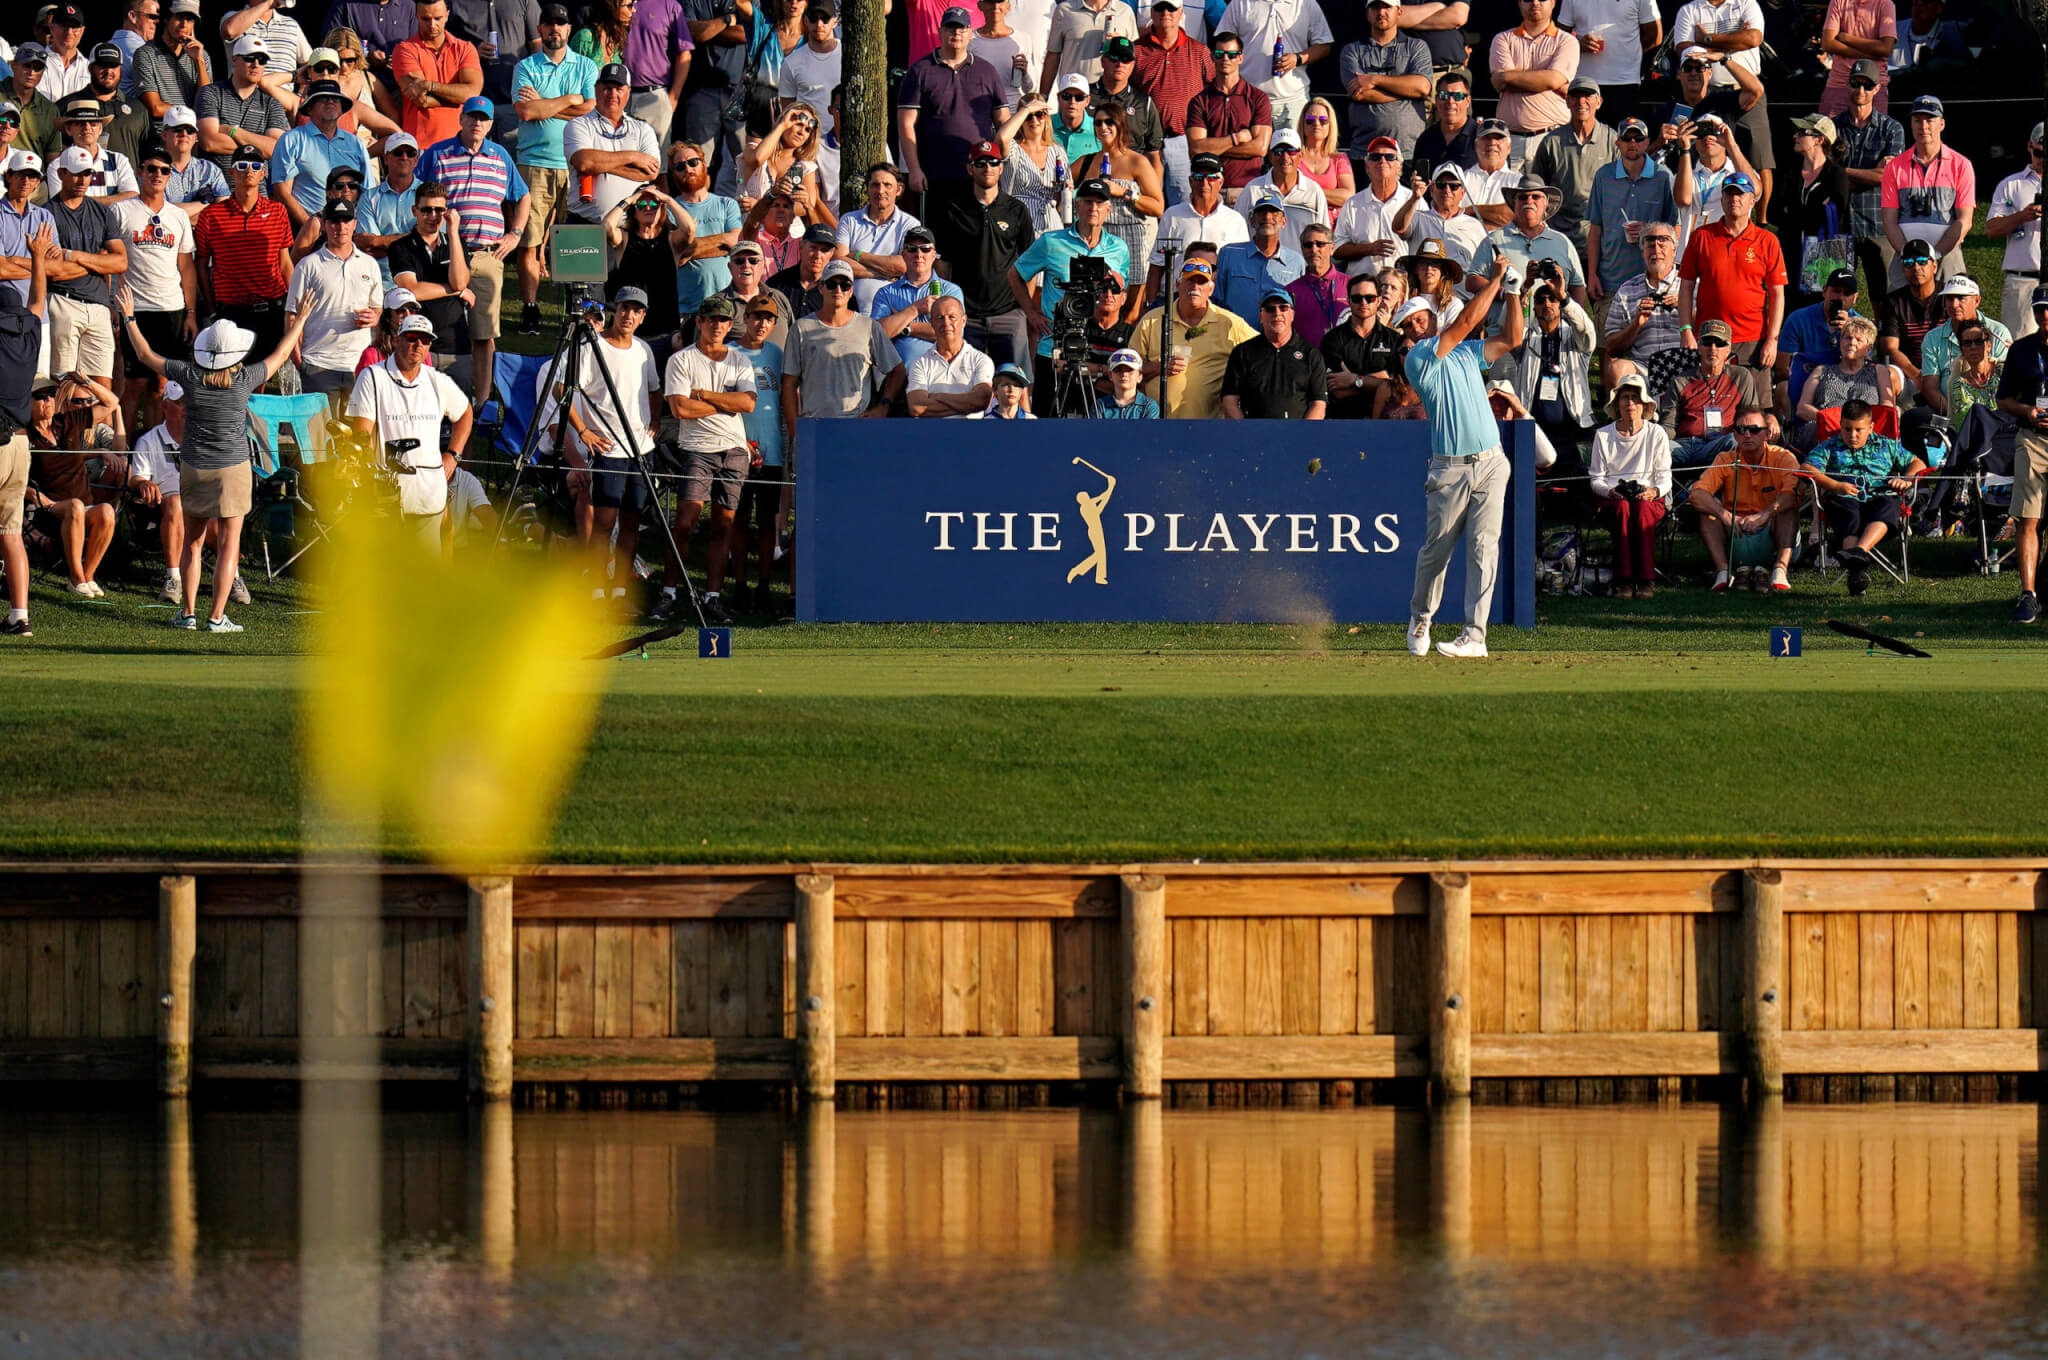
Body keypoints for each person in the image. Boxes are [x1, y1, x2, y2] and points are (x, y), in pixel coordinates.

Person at [116, 282, 321, 630]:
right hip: (233, 469)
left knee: (192, 544)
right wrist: (300, 319)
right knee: (228, 545)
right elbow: (282, 352)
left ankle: (189, 613)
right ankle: (216, 617)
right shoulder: (245, 378)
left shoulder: (190, 376)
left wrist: (130, 318)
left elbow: (147, 356)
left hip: (194, 467)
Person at [1396, 255, 1522, 659]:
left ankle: (1475, 636)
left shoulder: (1467, 353)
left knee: (1485, 549)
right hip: (1449, 469)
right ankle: (1421, 618)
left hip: (1491, 462)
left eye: (1420, 319)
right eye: (1409, 324)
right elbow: (1466, 322)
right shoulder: (1418, 359)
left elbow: (1511, 339)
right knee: (1437, 552)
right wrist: (1498, 278)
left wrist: (1515, 294)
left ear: (1431, 318)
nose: (1416, 326)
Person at [652, 292, 755, 623]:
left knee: (723, 526)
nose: (717, 325)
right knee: (685, 524)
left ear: (729, 325)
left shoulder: (739, 360)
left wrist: (706, 396)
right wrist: (726, 401)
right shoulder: (681, 360)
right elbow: (680, 408)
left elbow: (749, 403)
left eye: (723, 320)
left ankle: (712, 596)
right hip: (698, 448)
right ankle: (668, 593)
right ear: (699, 321)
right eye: (711, 318)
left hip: (735, 449)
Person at [557, 284, 658, 598]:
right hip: (608, 448)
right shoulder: (592, 347)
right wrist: (583, 430)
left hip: (641, 448)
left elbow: (654, 389)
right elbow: (562, 388)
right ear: (616, 310)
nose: (629, 315)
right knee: (604, 520)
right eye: (625, 308)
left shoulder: (644, 349)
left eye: (636, 311)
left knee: (632, 519)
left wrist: (655, 420)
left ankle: (620, 588)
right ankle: (598, 584)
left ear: (642, 317)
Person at [511, 4, 599, 333]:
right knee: (530, 241)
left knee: (574, 238)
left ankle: (573, 311)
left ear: (568, 29)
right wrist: (569, 99)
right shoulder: (525, 66)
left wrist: (545, 105)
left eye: (561, 24)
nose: (555, 30)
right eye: (549, 24)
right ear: (540, 28)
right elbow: (525, 112)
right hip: (534, 162)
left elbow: (592, 110)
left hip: (577, 162)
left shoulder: (587, 66)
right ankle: (531, 308)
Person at [1006, 176, 1129, 404]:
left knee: (1093, 422)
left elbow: (1122, 291)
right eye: (1088, 201)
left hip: (1095, 347)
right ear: (1077, 205)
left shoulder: (1118, 249)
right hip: (1054, 345)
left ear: (1108, 210)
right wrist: (1031, 313)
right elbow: (1015, 274)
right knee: (1048, 422)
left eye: (1100, 203)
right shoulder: (1051, 242)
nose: (1093, 208)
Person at [930, 137, 1036, 366]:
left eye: (992, 162)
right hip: (966, 315)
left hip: (1009, 313)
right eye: (980, 163)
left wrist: (1024, 309)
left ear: (1001, 168)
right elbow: (942, 265)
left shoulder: (1017, 210)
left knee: (1017, 384)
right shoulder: (952, 209)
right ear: (970, 168)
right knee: (967, 383)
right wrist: (950, 306)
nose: (987, 168)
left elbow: (1029, 266)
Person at [1803, 397, 1924, 596]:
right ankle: (1857, 567)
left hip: (1880, 494)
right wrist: (1835, 485)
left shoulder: (1886, 445)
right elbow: (1807, 467)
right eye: (1847, 429)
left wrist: (1906, 479)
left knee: (1888, 506)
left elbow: (1917, 463)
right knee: (1848, 514)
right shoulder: (1829, 446)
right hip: (1845, 496)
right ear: (1840, 425)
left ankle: (1857, 556)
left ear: (1871, 427)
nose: (1852, 435)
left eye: (1859, 430)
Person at [114, 142, 197, 424]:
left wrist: (191, 313)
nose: (157, 174)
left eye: (164, 169)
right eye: (151, 168)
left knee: (161, 386)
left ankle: (153, 449)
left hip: (171, 309)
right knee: (133, 385)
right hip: (135, 309)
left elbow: (186, 267)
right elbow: (112, 262)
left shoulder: (178, 216)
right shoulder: (121, 211)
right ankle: (123, 452)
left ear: (170, 175)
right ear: (140, 172)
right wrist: (115, 308)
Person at [900, 6, 1012, 212]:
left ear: (970, 33)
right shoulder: (919, 71)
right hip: (933, 175)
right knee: (936, 240)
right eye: (951, 27)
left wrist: (1002, 167)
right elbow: (906, 124)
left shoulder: (987, 71)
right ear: (940, 31)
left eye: (962, 28)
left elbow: (1003, 122)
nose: (956, 33)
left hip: (979, 175)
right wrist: (914, 169)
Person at [1669, 0, 1772, 215]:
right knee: (1704, 153)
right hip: (1709, 92)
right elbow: (1684, 49)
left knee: (1758, 158)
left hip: (1744, 88)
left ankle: (1760, 221)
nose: (1693, 71)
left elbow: (1754, 39)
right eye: (1688, 70)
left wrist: (1708, 41)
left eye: (1700, 67)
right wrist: (1736, 41)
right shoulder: (1689, 9)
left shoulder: (1746, 3)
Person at [195, 144, 295, 361]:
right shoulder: (211, 215)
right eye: (242, 165)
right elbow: (201, 265)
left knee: (265, 378)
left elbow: (285, 262)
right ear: (231, 172)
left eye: (255, 165)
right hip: (231, 312)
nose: (248, 170)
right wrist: (212, 309)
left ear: (263, 173)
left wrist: (293, 306)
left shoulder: (278, 211)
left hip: (272, 308)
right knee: (231, 378)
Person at [781, 259, 904, 434]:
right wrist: (795, 432)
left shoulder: (869, 327)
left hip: (857, 429)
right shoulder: (801, 328)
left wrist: (884, 406)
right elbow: (789, 384)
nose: (838, 290)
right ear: (821, 287)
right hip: (814, 427)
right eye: (832, 284)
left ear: (852, 290)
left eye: (845, 285)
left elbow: (897, 370)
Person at [26, 372, 121, 600]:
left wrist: (85, 382)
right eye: (41, 396)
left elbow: (112, 402)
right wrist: (38, 497)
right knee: (76, 506)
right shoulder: (26, 436)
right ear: (26, 402)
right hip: (49, 509)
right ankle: (76, 576)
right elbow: (18, 480)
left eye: (51, 394)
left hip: (82, 508)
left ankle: (87, 576)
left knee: (107, 511)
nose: (48, 401)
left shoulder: (66, 422)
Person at [1677, 173, 1780, 376]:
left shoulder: (1767, 241)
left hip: (1752, 339)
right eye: (1729, 194)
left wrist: (1772, 340)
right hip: (1710, 338)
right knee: (1707, 402)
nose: (1735, 199)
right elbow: (1686, 287)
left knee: (1754, 406)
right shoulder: (1701, 236)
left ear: (1752, 200)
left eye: (1741, 194)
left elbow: (1777, 294)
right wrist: (1686, 330)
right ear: (1722, 199)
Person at [1689, 404, 1799, 591]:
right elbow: (1697, 494)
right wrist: (1725, 515)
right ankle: (1723, 571)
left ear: (1766, 434)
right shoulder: (1724, 458)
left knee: (1787, 508)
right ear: (1735, 435)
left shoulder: (1783, 458)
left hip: (1772, 532)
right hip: (1736, 533)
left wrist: (1765, 515)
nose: (1747, 435)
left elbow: (1795, 495)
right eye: (1741, 430)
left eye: (1754, 430)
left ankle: (1780, 570)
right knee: (1708, 512)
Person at [1129, 254, 1253, 416]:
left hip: (1210, 429)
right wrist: (1161, 367)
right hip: (1158, 427)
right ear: (1178, 284)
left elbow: (1261, 353)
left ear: (1211, 289)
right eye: (1190, 280)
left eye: (1201, 282)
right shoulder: (1152, 320)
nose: (1195, 287)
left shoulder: (1229, 322)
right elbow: (1128, 368)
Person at [42, 147, 127, 383]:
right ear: (61, 174)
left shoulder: (101, 212)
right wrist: (99, 261)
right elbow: (55, 272)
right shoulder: (47, 213)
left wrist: (72, 255)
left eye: (87, 173)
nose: (83, 180)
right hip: (62, 302)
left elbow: (120, 261)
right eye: (76, 173)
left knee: (102, 386)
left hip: (98, 305)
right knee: (64, 385)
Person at [287, 198, 386, 394]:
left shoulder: (370, 264)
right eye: (334, 221)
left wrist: (374, 316)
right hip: (318, 364)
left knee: (360, 425)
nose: (341, 227)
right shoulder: (308, 265)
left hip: (359, 365)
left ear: (355, 224)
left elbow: (377, 307)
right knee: (319, 426)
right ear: (323, 225)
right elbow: (291, 316)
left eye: (346, 220)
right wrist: (299, 361)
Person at [1586, 371, 1671, 597]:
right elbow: (1596, 478)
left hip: (1648, 497)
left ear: (1644, 404)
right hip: (1613, 498)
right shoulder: (1603, 435)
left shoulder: (1657, 434)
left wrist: (1654, 491)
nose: (1630, 403)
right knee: (1623, 509)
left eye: (1635, 397)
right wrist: (1610, 491)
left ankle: (1645, 580)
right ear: (1617, 403)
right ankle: (1623, 579)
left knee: (1642, 510)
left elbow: (1664, 478)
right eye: (1625, 397)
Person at [1880, 94, 1973, 291]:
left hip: (1947, 257)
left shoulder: (1961, 165)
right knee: (1900, 312)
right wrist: (1909, 256)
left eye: (1930, 120)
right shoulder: (1894, 167)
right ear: (1911, 124)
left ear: (1942, 124)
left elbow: (1964, 221)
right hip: (1905, 258)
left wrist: (1936, 255)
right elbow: (1889, 221)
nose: (1924, 126)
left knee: (1953, 310)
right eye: (1918, 121)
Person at [727, 296, 785, 610]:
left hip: (771, 450)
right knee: (739, 519)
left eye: (768, 319)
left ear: (774, 324)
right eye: (756, 317)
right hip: (737, 449)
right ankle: (738, 585)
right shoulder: (730, 353)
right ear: (746, 318)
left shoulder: (777, 354)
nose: (761, 324)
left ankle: (763, 586)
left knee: (766, 521)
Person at [387, 182, 474, 381]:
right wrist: (454, 291)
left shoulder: (457, 243)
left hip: (455, 345)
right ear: (414, 211)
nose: (433, 216)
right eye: (426, 210)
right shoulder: (401, 247)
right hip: (416, 345)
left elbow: (460, 281)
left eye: (439, 210)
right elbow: (411, 289)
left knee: (460, 410)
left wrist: (452, 233)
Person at [1468, 173, 1584, 320]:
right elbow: (1471, 281)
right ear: (1514, 204)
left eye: (1536, 197)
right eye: (1522, 197)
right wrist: (1503, 292)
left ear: (1546, 203)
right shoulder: (1493, 239)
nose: (1529, 200)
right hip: (1504, 335)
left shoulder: (1562, 242)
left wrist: (1576, 322)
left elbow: (1577, 285)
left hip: (1554, 335)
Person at [1505, 279, 1594, 472]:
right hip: (1534, 431)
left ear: (1560, 305)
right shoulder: (1526, 338)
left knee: (1574, 492)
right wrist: (1524, 288)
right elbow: (1507, 329)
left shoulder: (1576, 338)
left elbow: (1587, 329)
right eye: (1541, 300)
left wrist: (1564, 296)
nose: (1546, 304)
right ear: (1534, 307)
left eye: (1552, 299)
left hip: (1573, 429)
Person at [1131, 0, 1211, 208]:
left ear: (1180, 12)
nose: (1165, 13)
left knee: (1183, 207)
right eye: (1159, 8)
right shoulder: (1136, 51)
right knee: (1146, 208)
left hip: (1183, 142)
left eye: (1171, 8)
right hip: (1146, 144)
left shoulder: (1199, 51)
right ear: (1151, 12)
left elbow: (1214, 92)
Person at [1836, 59, 1903, 306]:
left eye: (1867, 85)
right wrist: (1870, 173)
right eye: (1856, 83)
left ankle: (1886, 346)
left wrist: (1842, 172)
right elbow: (1825, 176)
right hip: (1838, 227)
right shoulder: (1831, 128)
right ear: (1848, 84)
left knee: (1887, 302)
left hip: (1880, 226)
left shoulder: (1892, 129)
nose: (1860, 91)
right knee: (1833, 298)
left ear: (1877, 88)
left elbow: (1888, 177)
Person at [1214, 0, 1329, 137]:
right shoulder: (1240, 3)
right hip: (1248, 100)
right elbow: (1222, 44)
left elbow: (1324, 45)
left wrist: (1297, 59)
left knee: (1291, 157)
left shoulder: (1306, 4)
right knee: (1251, 156)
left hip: (1293, 102)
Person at [564, 62, 660, 225]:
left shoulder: (643, 129)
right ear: (596, 89)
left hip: (630, 226)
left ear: (628, 93)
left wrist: (599, 164)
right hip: (584, 222)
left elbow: (651, 172)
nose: (612, 94)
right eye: (607, 88)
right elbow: (584, 162)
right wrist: (633, 157)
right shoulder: (578, 124)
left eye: (619, 89)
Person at [1528, 78, 1612, 260]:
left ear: (1599, 102)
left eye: (1587, 96)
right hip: (1559, 240)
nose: (1581, 102)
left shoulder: (1612, 140)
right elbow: (1537, 189)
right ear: (1567, 102)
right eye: (1575, 96)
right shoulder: (1552, 142)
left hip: (1601, 240)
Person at [1340, 0, 1430, 162]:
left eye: (1387, 7)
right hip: (1364, 154)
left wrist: (1375, 79)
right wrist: (1407, 92)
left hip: (1409, 153)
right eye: (1375, 7)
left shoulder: (1417, 47)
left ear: (1399, 12)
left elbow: (1422, 87)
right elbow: (1359, 94)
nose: (1381, 12)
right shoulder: (1351, 50)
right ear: (1367, 13)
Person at [270, 79, 368, 227]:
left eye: (335, 98)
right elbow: (282, 193)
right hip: (305, 230)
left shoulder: (356, 143)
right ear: (309, 107)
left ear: (341, 108)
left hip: (348, 229)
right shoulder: (291, 139)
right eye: (322, 98)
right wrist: (313, 228)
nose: (330, 102)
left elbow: (367, 191)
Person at [865, 223, 966, 368]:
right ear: (903, 255)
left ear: (933, 255)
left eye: (925, 249)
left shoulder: (950, 291)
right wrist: (915, 309)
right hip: (899, 377)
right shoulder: (886, 293)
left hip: (940, 375)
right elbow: (877, 334)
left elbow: (953, 333)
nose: (919, 255)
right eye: (912, 249)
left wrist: (905, 326)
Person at [1490, 0, 1577, 164]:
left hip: (1552, 138)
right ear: (1519, 3)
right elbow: (1499, 83)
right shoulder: (1502, 39)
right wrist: (1545, 79)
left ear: (1553, 3)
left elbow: (1553, 80)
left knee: (1551, 190)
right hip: (1510, 140)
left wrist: (1508, 77)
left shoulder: (1567, 41)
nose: (1535, 2)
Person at [1146, 151, 1244, 297]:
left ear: (1221, 182)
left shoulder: (1235, 221)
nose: (1204, 183)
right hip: (1175, 299)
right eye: (1199, 177)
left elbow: (1239, 272)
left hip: (1218, 300)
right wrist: (1150, 304)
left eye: (1211, 178)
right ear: (1190, 181)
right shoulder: (1172, 215)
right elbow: (1157, 265)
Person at [1185, 31, 1270, 196]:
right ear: (1212, 57)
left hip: (1247, 189)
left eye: (1231, 55)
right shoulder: (1199, 101)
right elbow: (1195, 149)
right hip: (1208, 189)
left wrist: (1212, 147)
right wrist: (1235, 139)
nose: (1225, 59)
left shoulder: (1258, 98)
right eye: (1219, 54)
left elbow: (1260, 148)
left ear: (1240, 58)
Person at [392, 0, 485, 149]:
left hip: (460, 145)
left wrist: (430, 85)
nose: (432, 25)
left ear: (447, 15)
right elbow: (421, 99)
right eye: (426, 19)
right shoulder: (404, 50)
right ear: (416, 16)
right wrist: (458, 100)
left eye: (437, 18)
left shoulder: (465, 49)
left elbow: (472, 94)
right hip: (420, 145)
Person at [1795, 312, 1900, 445]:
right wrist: (1829, 420)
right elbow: (1802, 408)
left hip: (1865, 435)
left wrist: (1859, 426)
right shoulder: (1821, 371)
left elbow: (1887, 408)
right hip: (1825, 433)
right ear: (1840, 342)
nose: (1852, 343)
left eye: (1858, 339)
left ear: (1869, 349)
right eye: (1848, 338)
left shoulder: (1879, 371)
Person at [1219, 286, 1323, 418]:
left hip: (1296, 436)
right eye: (1270, 309)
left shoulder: (1311, 354)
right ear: (1261, 316)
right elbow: (1229, 402)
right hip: (1254, 434)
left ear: (1292, 314)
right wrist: (1245, 433)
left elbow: (1319, 404)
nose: (1277, 313)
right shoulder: (1242, 353)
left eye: (1283, 308)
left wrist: (1301, 436)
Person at [128, 377, 188, 602]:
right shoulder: (149, 440)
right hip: (163, 506)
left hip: (200, 502)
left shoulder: (201, 437)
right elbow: (137, 478)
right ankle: (173, 578)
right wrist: (144, 483)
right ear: (164, 407)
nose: (186, 408)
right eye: (180, 402)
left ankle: (232, 576)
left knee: (223, 509)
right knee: (175, 503)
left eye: (189, 402)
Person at [198, 37, 293, 178]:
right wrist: (258, 145)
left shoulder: (272, 103)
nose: (256, 64)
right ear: (234, 59)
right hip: (216, 189)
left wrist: (232, 131)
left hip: (258, 192)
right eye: (250, 58)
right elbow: (209, 142)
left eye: (262, 60)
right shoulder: (211, 92)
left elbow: (273, 149)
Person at [1783, 113, 1850, 312]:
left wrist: (1799, 214)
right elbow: (1778, 210)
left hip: (1825, 254)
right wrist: (1813, 210)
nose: (1796, 136)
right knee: (1791, 309)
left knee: (1821, 309)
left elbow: (1834, 214)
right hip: (1791, 252)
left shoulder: (1836, 174)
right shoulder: (1791, 172)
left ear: (1819, 140)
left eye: (1802, 132)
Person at [1915, 276, 2009, 411]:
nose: (1954, 305)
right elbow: (1930, 389)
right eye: (1949, 298)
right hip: (1948, 413)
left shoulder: (1999, 333)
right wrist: (1956, 417)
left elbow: (2004, 383)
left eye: (1961, 298)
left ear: (1977, 300)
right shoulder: (1932, 338)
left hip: (1994, 413)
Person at [836, 163, 922, 308]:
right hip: (851, 310)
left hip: (893, 312)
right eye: (875, 185)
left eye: (887, 185)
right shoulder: (849, 220)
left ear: (899, 190)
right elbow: (839, 264)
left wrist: (858, 255)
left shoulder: (910, 224)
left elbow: (903, 265)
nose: (880, 191)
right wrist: (881, 273)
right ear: (868, 189)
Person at [1557, 0, 1659, 123]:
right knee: (1583, 139)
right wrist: (1577, 45)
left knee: (1622, 139)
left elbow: (1654, 36)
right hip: (1584, 84)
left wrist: (1630, 52)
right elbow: (1560, 37)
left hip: (1625, 84)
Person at [1987, 128, 2045, 342]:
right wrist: (2022, 215)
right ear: (2030, 147)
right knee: (2018, 349)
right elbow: (1991, 229)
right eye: (2040, 154)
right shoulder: (2011, 184)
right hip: (2023, 281)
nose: (2043, 160)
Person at [1319, 265, 1397, 417]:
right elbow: (1338, 390)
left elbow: (1395, 389)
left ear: (1379, 300)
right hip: (1343, 422)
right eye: (1357, 298)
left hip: (1383, 424)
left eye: (1370, 298)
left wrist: (1354, 380)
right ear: (1348, 300)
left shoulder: (1393, 340)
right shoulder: (1332, 340)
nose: (1363, 302)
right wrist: (1379, 381)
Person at [1213, 189, 1299, 319]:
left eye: (1274, 213)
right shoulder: (1229, 254)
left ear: (1284, 222)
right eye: (1261, 212)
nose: (1267, 217)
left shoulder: (1296, 262)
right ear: (1252, 221)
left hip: (1277, 338)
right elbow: (1216, 301)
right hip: (1236, 337)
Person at [1331, 133, 1407, 277]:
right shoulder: (1353, 204)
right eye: (1375, 157)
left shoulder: (1413, 201)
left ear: (1399, 166)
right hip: (1362, 292)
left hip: (1401, 288)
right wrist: (1368, 249)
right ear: (1367, 166)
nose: (1382, 161)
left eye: (1390, 157)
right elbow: (1337, 249)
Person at [905, 293, 995, 416]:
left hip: (971, 433)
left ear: (963, 321)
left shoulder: (980, 360)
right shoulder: (920, 363)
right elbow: (917, 407)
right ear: (932, 323)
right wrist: (968, 405)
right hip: (934, 434)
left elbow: (981, 400)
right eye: (940, 318)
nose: (946, 323)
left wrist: (937, 397)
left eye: (952, 317)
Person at [1232, 126, 1321, 241]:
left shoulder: (1314, 191)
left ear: (1300, 155)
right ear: (1270, 156)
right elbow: (1236, 232)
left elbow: (1323, 237)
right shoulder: (1252, 190)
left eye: (1291, 151)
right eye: (1278, 152)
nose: (1285, 157)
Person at [131, 0, 211, 125]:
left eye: (189, 19)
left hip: (193, 133)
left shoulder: (201, 55)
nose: (184, 24)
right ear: (167, 19)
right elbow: (155, 108)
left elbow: (206, 103)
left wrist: (199, 61)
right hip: (161, 134)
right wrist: (190, 114)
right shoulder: (145, 54)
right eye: (179, 17)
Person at [358, 132, 422, 287]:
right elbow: (367, 245)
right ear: (385, 158)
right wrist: (415, 239)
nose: (404, 157)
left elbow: (434, 242)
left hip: (421, 281)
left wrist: (380, 241)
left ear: (416, 159)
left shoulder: (429, 194)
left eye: (410, 153)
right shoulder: (369, 197)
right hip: (379, 282)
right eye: (398, 152)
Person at [1877, 237, 1941, 391]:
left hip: (1945, 372)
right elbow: (1890, 348)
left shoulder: (1949, 297)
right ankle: (1892, 415)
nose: (1916, 267)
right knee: (1889, 375)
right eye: (1909, 263)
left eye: (1922, 261)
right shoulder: (1892, 302)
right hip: (1910, 375)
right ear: (1903, 269)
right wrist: (1918, 376)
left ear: (1934, 266)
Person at [1392, 162, 1481, 267]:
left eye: (1453, 186)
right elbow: (1398, 228)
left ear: (1463, 192)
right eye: (1441, 185)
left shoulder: (1475, 225)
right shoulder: (1417, 217)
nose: (1447, 190)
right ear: (1432, 190)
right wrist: (1414, 198)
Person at [53, 94, 137, 203]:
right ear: (69, 129)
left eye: (93, 123)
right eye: (80, 123)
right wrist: (113, 200)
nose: (87, 128)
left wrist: (83, 203)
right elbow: (64, 204)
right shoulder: (57, 165)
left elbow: (133, 196)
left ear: (100, 129)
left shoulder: (119, 160)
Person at [1041, 0, 1138, 94]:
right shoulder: (1064, 10)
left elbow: (1134, 56)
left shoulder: (1125, 11)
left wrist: (1120, 42)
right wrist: (1044, 95)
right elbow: (1053, 55)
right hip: (1075, 96)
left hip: (1111, 97)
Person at [1817, 0, 1893, 117]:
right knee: (1829, 134)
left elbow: (1885, 48)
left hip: (1872, 87)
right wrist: (1868, 55)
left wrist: (1848, 39)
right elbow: (1827, 43)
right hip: (1839, 84)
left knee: (1873, 134)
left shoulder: (1885, 4)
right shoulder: (1838, 2)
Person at [158, 107, 229, 214]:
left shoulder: (211, 170)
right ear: (164, 135)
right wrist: (206, 203)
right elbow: (159, 212)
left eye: (190, 130)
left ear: (195, 136)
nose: (184, 134)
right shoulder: (152, 170)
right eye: (178, 129)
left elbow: (223, 213)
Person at [1412, 67, 1475, 172]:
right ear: (1436, 100)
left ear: (1468, 101)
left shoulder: (1481, 139)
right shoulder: (1425, 139)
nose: (1450, 101)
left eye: (1457, 96)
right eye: (1444, 95)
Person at [1096, 345, 1158, 416]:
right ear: (1110, 375)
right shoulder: (1100, 405)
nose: (1124, 374)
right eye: (1118, 370)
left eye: (1130, 370)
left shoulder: (1149, 406)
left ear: (1140, 376)